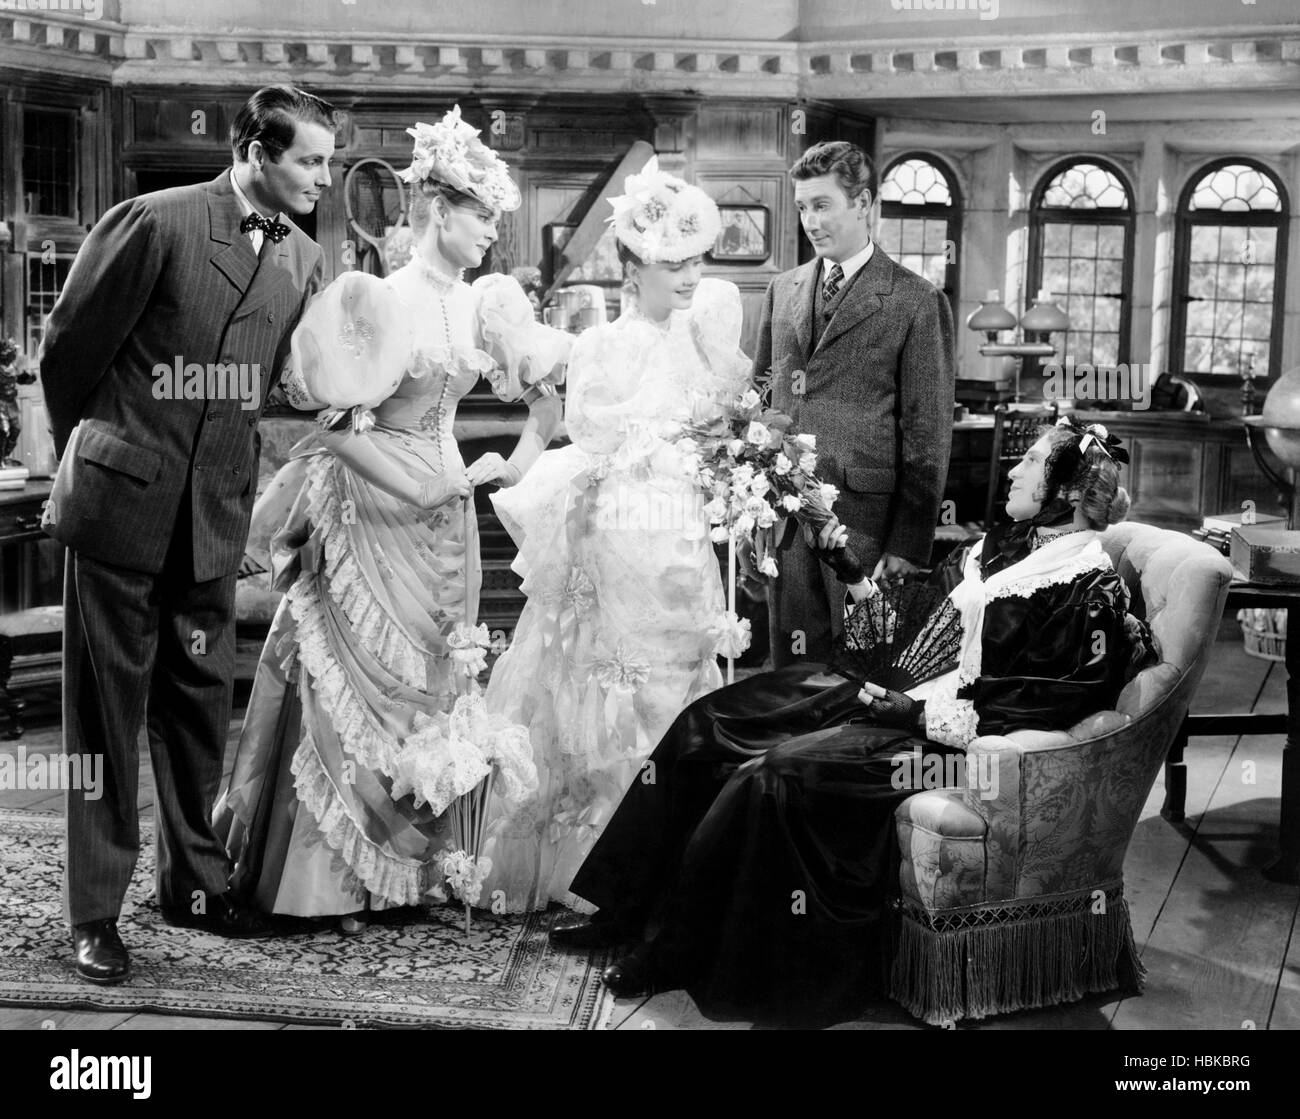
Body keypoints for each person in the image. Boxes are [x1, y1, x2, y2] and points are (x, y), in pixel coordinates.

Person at [554, 417, 1159, 1026]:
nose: (1013, 470)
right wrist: (845, 565)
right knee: (708, 721)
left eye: (1029, 461)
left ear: (1069, 493)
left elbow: (1042, 706)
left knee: (771, 775)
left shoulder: (1083, 590)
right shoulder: (994, 549)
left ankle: (671, 951)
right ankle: (627, 911)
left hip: (938, 745)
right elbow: (902, 639)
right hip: (887, 696)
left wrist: (918, 712)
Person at [212, 106, 569, 928]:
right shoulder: (373, 299)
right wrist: (412, 488)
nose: (493, 235)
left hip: (447, 522)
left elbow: (547, 403)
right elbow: (330, 427)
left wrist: (509, 464)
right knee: (358, 688)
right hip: (373, 510)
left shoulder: (487, 303)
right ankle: (333, 883)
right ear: (438, 212)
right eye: (483, 216)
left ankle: (417, 872)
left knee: (436, 689)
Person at [39, 85, 335, 985]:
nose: (322, 179)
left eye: (326, 161)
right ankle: (94, 913)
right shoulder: (154, 222)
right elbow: (67, 352)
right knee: (103, 721)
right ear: (252, 148)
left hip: (212, 519)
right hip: (122, 509)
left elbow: (272, 390)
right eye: (307, 161)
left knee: (198, 713)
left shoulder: (307, 258)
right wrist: (96, 458)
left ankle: (195, 885)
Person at [478, 157, 753, 914]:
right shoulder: (599, 344)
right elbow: (588, 432)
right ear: (633, 266)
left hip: (684, 532)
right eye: (674, 263)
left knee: (684, 674)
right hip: (621, 528)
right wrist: (658, 430)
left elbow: (729, 424)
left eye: (697, 259)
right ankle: (604, 856)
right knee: (610, 683)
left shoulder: (708, 335)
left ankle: (679, 849)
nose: (692, 275)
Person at [754, 140, 956, 669]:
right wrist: (758, 518)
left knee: (861, 674)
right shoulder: (782, 289)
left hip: (866, 522)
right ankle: (791, 756)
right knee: (791, 672)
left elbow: (927, 432)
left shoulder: (915, 299)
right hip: (787, 519)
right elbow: (760, 400)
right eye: (802, 207)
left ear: (863, 204)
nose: (810, 221)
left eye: (822, 205)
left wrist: (909, 544)